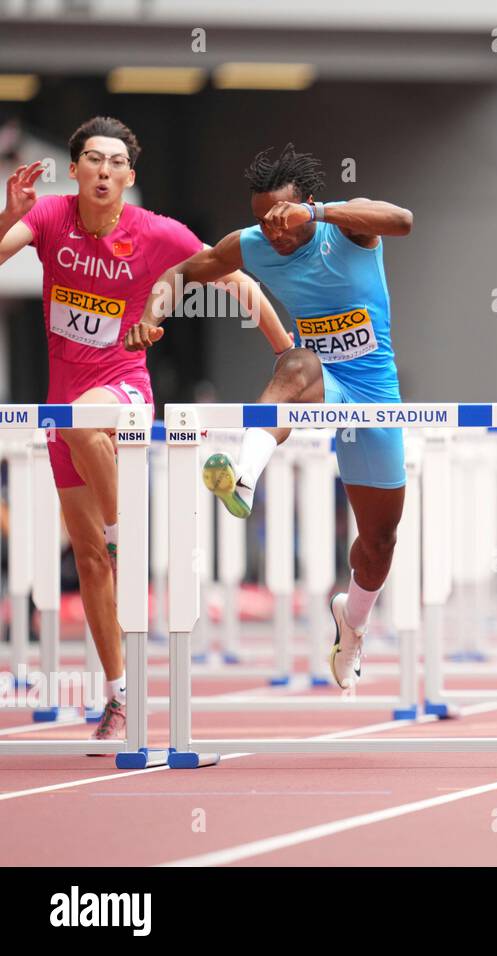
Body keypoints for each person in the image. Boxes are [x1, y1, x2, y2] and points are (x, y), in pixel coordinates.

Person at [0, 116, 282, 747]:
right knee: (93, 562)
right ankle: (120, 694)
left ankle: (131, 533)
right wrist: (8, 210)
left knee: (85, 427)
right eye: (92, 160)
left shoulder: (156, 233)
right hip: (63, 407)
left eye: (115, 162)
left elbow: (236, 280)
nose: (104, 170)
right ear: (73, 171)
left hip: (124, 392)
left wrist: (287, 354)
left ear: (130, 175)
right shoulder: (48, 219)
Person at [130, 144, 413, 690]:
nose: (274, 232)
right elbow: (180, 274)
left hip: (374, 394)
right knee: (296, 361)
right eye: (263, 220)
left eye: (283, 218)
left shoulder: (345, 228)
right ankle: (242, 477)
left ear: (306, 203)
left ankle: (351, 622)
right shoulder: (253, 245)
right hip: (316, 383)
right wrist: (149, 315)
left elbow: (401, 220)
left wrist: (319, 215)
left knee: (379, 544)